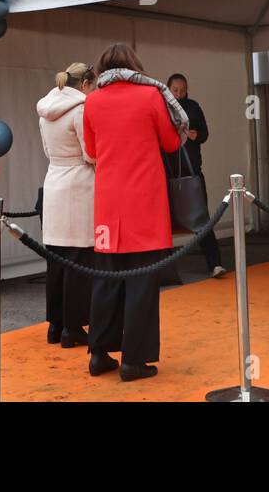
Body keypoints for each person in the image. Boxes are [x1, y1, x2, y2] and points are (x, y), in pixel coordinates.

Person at [82, 42, 184, 381]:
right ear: (134, 65)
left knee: (107, 278)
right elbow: (171, 143)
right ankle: (134, 360)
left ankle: (98, 353)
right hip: (145, 200)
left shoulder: (93, 99)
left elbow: (93, 149)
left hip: (108, 200)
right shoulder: (151, 94)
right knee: (142, 281)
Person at [36, 62, 97, 349]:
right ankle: (73, 327)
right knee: (78, 258)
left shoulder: (45, 110)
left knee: (56, 259)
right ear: (85, 84)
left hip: (54, 182)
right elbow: (90, 153)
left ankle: (55, 324)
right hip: (79, 185)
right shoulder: (81, 108)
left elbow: (48, 151)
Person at [163, 73, 226, 278]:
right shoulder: (161, 107)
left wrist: (196, 135)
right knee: (164, 223)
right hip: (167, 173)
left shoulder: (193, 106)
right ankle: (165, 270)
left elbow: (205, 134)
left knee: (201, 219)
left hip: (192, 173)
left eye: (182, 90)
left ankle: (214, 263)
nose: (179, 94)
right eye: (176, 90)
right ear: (168, 89)